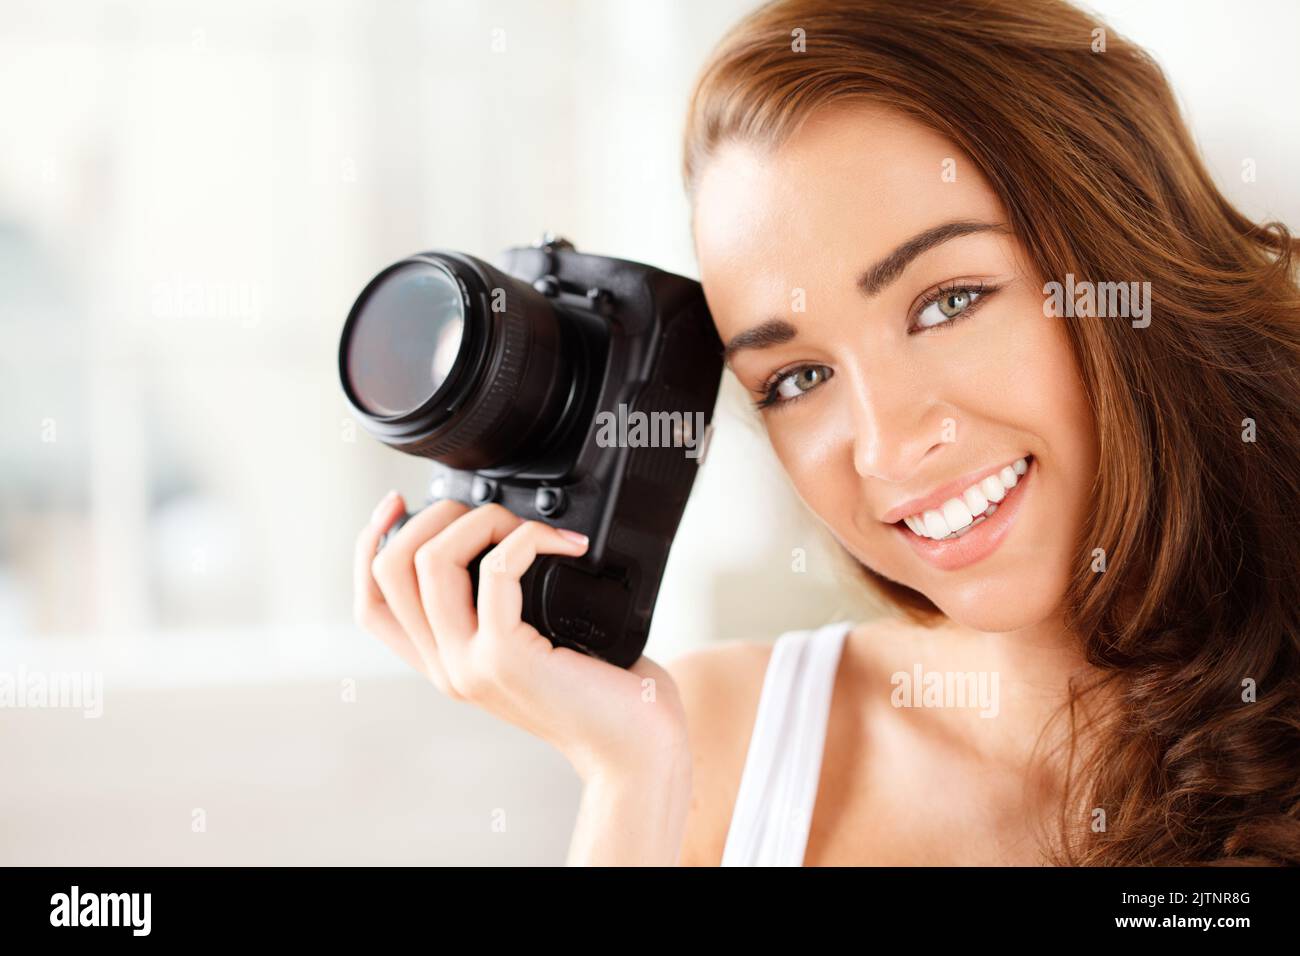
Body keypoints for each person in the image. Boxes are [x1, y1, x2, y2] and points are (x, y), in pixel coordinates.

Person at [352, 0, 1300, 865]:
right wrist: (629, 786)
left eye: (949, 301)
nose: (886, 447)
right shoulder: (720, 737)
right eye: (797, 378)